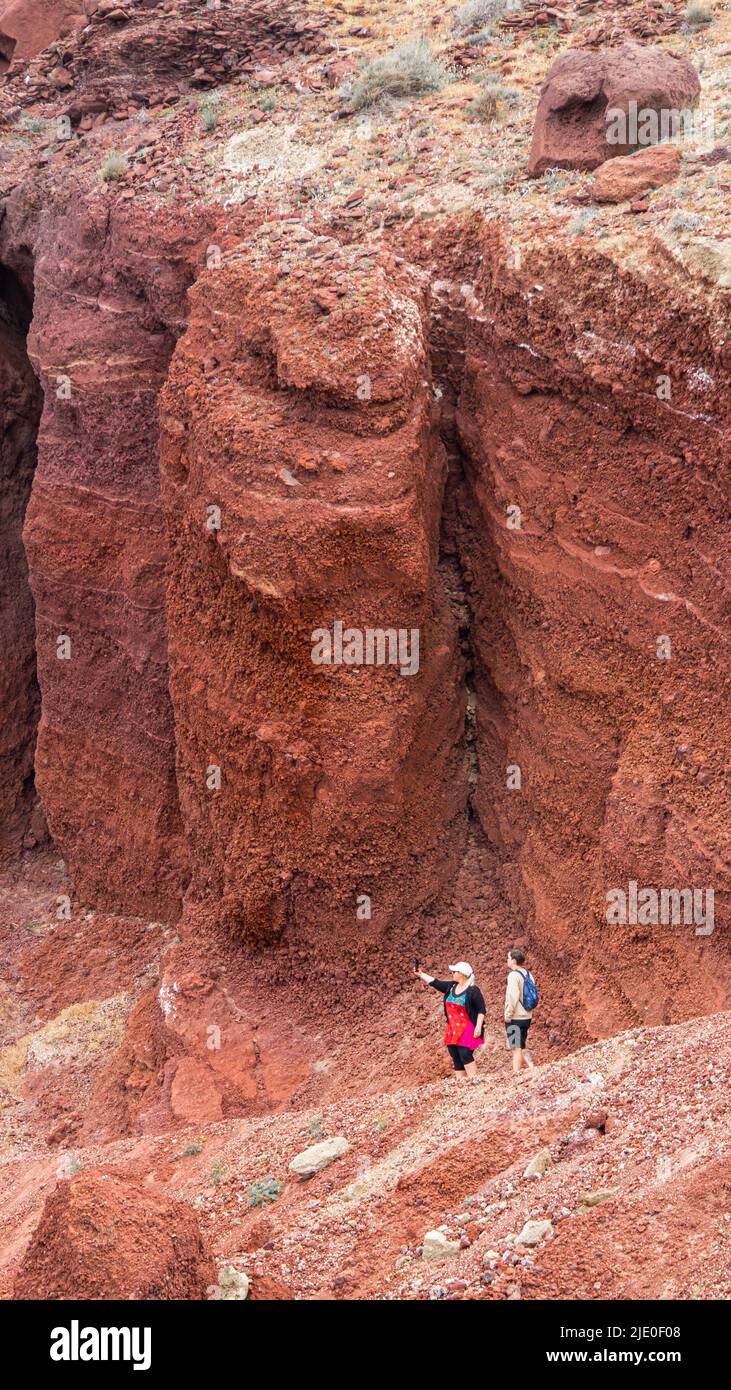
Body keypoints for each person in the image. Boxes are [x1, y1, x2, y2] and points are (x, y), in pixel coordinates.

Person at [414, 960, 486, 1084]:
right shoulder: (451, 986)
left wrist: (478, 1027)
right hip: (452, 1029)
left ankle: (475, 1082)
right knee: (456, 1056)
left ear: (462, 974)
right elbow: (436, 983)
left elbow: (481, 1010)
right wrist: (421, 974)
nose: (452, 973)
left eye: (455, 971)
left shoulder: (473, 990)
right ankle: (461, 1084)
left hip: (467, 1028)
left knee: (465, 1054)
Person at [504, 947, 536, 1077]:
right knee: (522, 1046)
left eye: (508, 958)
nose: (507, 960)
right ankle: (532, 1068)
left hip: (515, 1017)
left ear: (513, 960)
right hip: (527, 1017)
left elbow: (513, 996)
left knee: (515, 1048)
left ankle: (515, 1075)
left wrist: (508, 1014)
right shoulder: (528, 974)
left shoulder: (513, 975)